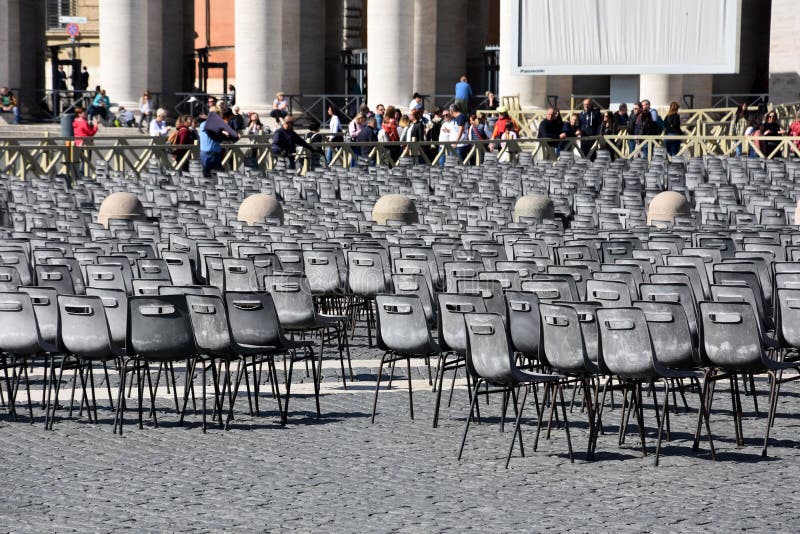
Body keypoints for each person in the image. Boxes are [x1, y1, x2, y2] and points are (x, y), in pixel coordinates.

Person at [198, 106, 239, 177]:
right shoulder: (214, 124)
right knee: (220, 175)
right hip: (213, 152)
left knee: (207, 175)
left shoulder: (202, 124)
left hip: (203, 152)